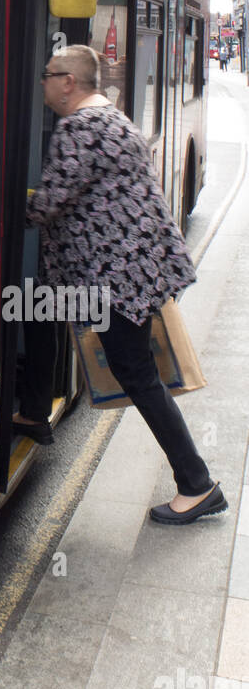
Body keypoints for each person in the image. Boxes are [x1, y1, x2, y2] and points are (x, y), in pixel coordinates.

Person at [17, 44, 225, 526]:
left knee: (138, 376)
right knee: (35, 306)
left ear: (69, 82)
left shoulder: (79, 129)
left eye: (49, 74)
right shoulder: (111, 117)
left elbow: (47, 203)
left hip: (117, 280)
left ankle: (196, 484)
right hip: (129, 270)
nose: (44, 82)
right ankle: (33, 410)